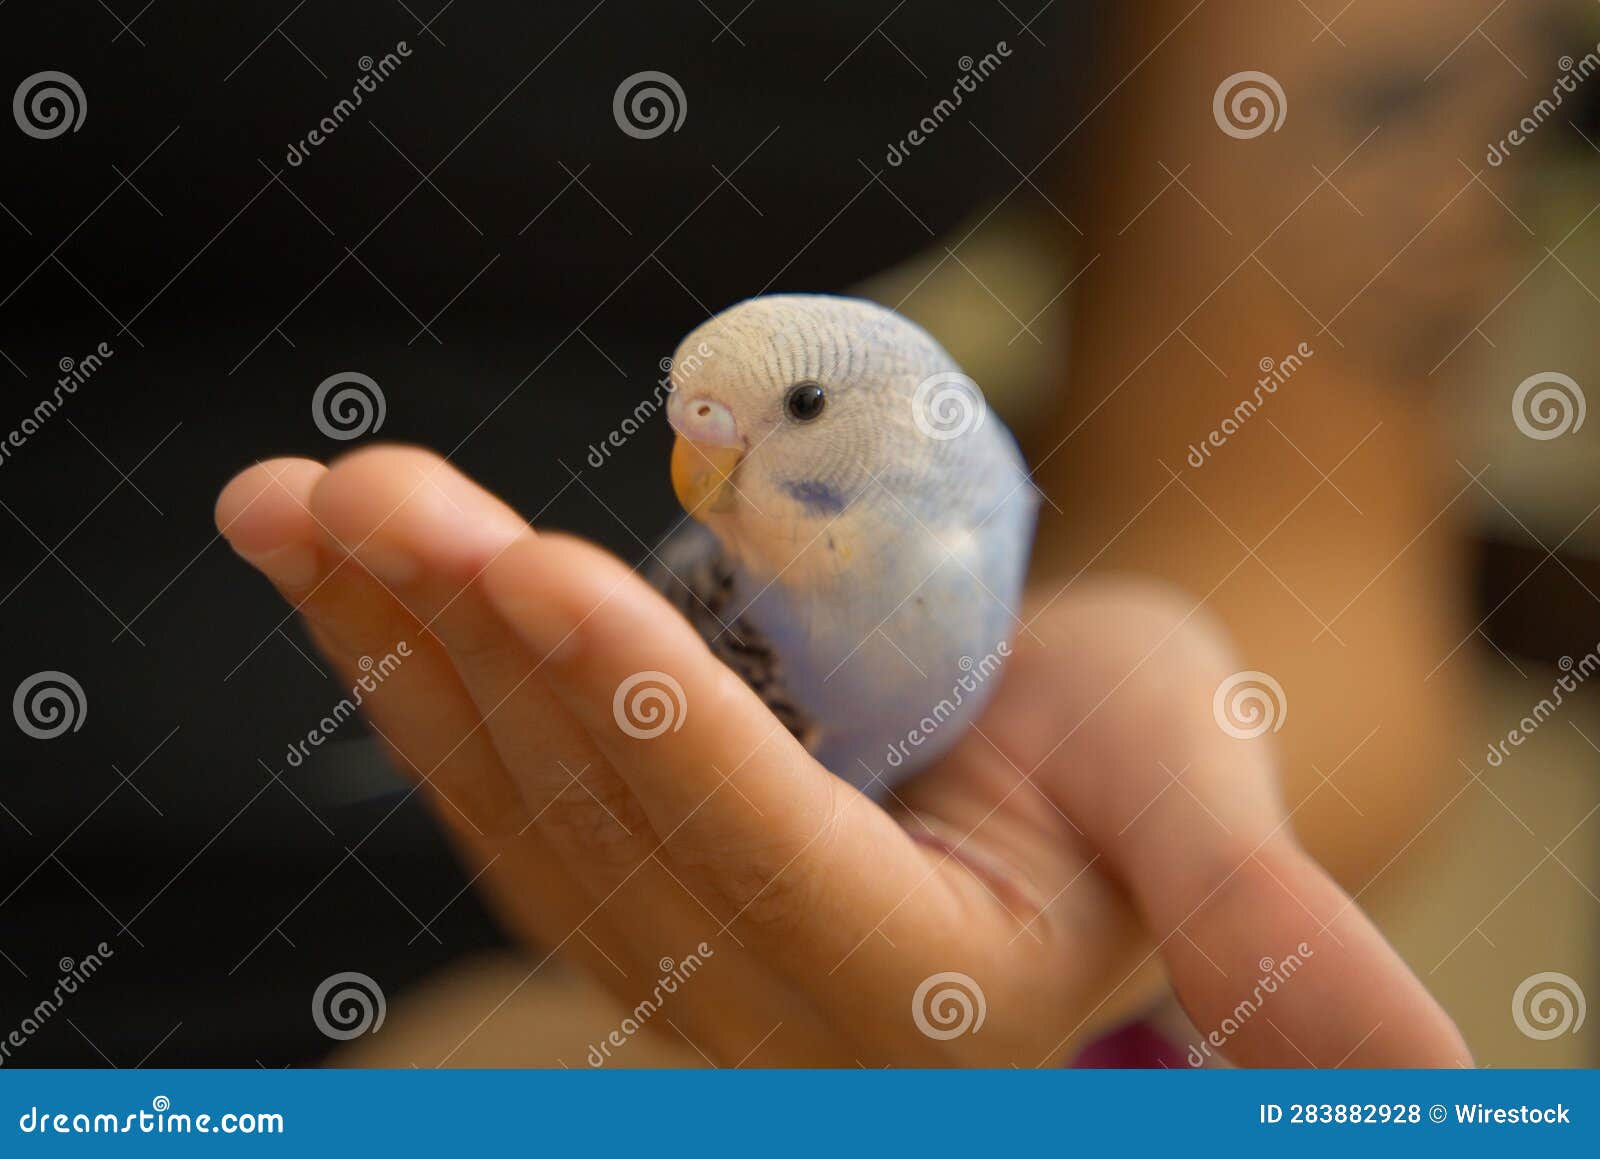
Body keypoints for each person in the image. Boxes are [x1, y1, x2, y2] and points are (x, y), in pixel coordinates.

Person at [213, 1, 1559, 1065]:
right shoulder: (729, 559)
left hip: (545, 1010)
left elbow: (1301, 534)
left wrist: (1096, 852)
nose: (717, 472)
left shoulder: (946, 509)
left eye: (781, 415)